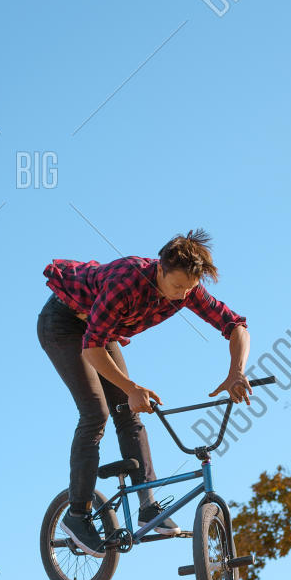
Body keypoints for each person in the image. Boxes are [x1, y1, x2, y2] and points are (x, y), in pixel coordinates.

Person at [38, 229, 251, 554]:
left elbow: (235, 325)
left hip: (99, 328)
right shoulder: (127, 281)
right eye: (177, 286)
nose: (182, 296)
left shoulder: (189, 290)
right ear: (160, 270)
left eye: (189, 288)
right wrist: (132, 387)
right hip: (64, 322)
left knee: (129, 411)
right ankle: (77, 514)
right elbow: (92, 349)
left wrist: (236, 371)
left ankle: (148, 506)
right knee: (96, 413)